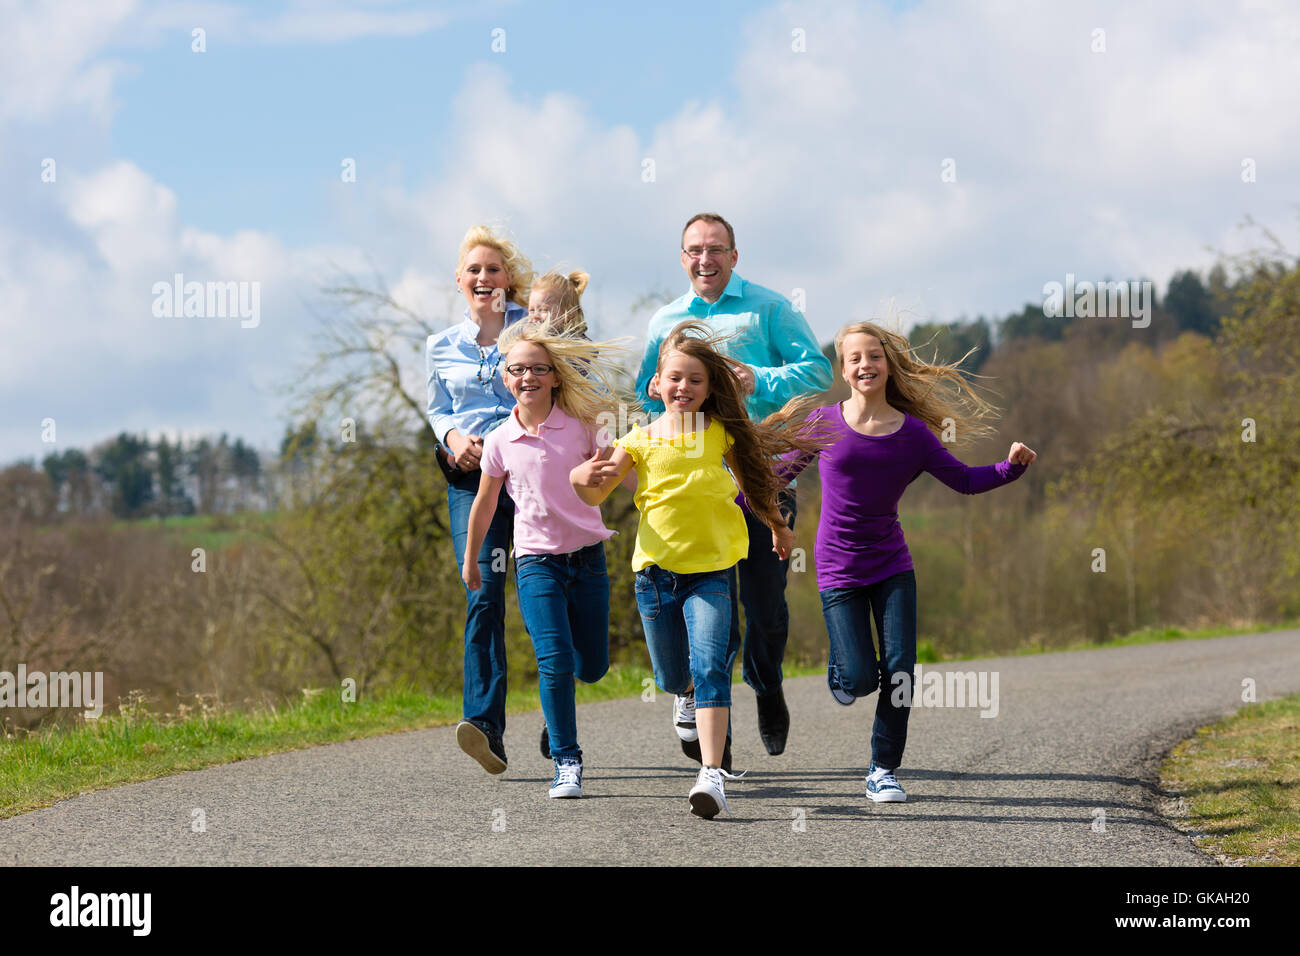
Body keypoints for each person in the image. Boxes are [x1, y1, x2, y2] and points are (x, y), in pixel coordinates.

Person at [573, 321, 825, 818]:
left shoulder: (722, 433)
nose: (683, 387)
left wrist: (778, 526)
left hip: (711, 573)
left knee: (712, 666)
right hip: (656, 577)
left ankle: (711, 773)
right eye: (675, 378)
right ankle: (683, 695)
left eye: (695, 380)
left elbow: (754, 483)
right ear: (656, 384)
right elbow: (595, 494)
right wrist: (580, 477)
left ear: (710, 389)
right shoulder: (639, 440)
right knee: (673, 675)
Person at [784, 320, 1037, 803]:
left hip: (892, 566)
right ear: (843, 367)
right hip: (838, 568)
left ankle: (883, 769)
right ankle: (843, 670)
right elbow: (777, 475)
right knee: (860, 678)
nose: (865, 365)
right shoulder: (822, 424)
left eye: (874, 356)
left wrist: (1011, 467)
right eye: (855, 358)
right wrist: (736, 496)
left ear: (888, 364)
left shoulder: (914, 435)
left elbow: (963, 480)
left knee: (900, 670)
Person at [635, 212, 832, 758]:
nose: (706, 259)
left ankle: (767, 685)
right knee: (709, 602)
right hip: (695, 484)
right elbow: (646, 397)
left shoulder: (769, 308)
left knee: (766, 604)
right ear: (682, 258)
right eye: (695, 250)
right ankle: (709, 716)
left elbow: (817, 372)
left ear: (734, 256)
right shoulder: (664, 322)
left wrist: (759, 379)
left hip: (761, 471)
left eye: (716, 249)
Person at [461, 323, 623, 798]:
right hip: (535, 563)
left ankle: (557, 722)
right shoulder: (498, 441)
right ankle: (567, 761)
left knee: (591, 667)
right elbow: (486, 504)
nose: (527, 375)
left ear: (554, 376)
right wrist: (472, 561)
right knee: (552, 660)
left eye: (538, 368)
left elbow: (617, 475)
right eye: (517, 369)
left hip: (588, 559)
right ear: (505, 379)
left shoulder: (583, 426)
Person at [425, 224, 534, 775]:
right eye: (474, 270)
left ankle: (559, 719)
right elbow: (438, 410)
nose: (484, 278)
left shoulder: (534, 328)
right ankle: (485, 724)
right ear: (459, 280)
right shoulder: (439, 346)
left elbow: (570, 379)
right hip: (471, 483)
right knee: (483, 594)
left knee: (548, 595)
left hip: (534, 475)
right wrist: (452, 439)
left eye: (493, 269)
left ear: (508, 279)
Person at [527, 269, 590, 337]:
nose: (535, 316)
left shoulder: (573, 343)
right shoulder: (529, 337)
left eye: (544, 310)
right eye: (532, 310)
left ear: (568, 313)